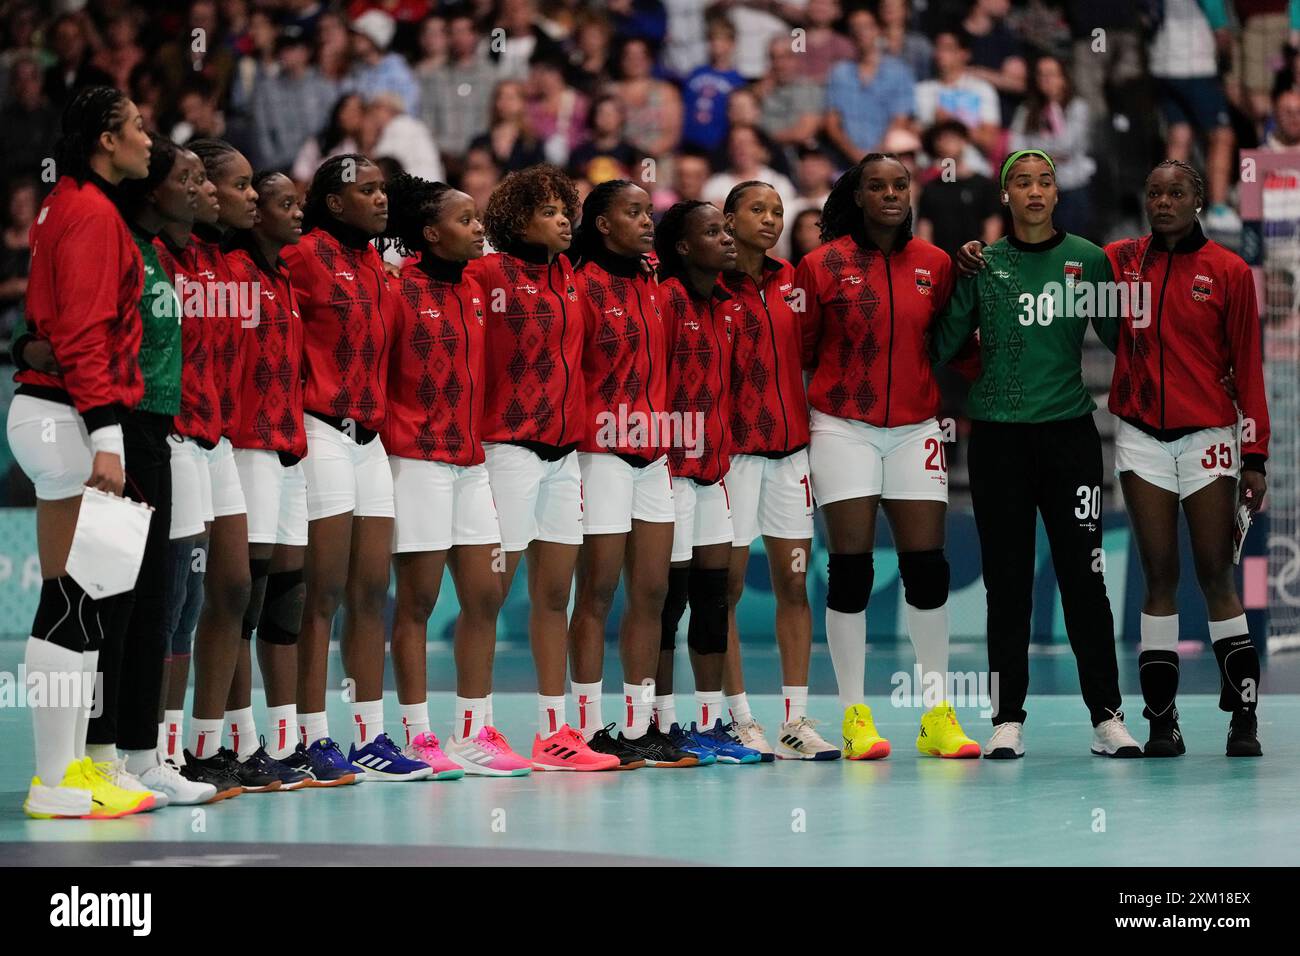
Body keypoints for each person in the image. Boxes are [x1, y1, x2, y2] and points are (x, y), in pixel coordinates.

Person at [930, 149, 1142, 759]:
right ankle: (1006, 719)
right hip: (997, 441)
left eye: (1044, 181)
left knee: (1085, 579)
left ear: (1055, 193)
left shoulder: (1089, 260)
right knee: (1007, 584)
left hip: (1070, 440)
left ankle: (1108, 717)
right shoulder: (984, 265)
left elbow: (1124, 341)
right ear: (1006, 195)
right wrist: (956, 276)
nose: (1034, 191)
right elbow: (943, 345)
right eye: (1021, 181)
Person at [794, 154, 981, 761]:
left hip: (916, 428)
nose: (892, 194)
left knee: (927, 569)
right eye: (877, 186)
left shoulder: (936, 264)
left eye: (901, 184)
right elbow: (801, 350)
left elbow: (952, 343)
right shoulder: (820, 266)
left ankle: (937, 714)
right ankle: (855, 715)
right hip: (841, 427)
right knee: (850, 571)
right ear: (858, 196)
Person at [10, 86, 156, 818]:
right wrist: (106, 436)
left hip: (50, 410)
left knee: (79, 598)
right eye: (136, 127)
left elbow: (53, 326)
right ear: (105, 139)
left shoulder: (66, 202)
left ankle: (69, 774)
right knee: (71, 597)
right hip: (64, 417)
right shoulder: (94, 214)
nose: (148, 138)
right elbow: (84, 335)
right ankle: (52, 782)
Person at [1106, 161, 1270, 756]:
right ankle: (1161, 721)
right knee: (1159, 575)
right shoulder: (1121, 261)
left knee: (1215, 574)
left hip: (1211, 439)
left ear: (1199, 199)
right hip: (1141, 435)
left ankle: (1243, 718)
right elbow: (1058, 261)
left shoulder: (1229, 271)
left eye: (1176, 192)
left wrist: (1255, 455)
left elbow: (1248, 365)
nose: (1164, 202)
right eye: (1154, 193)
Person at [282, 153, 431, 783]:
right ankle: (310, 739)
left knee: (372, 591)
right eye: (365, 191)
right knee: (323, 593)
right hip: (320, 432)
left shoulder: (377, 265)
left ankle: (369, 738)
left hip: (370, 441)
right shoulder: (302, 256)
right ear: (334, 202)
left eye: (382, 190)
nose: (380, 199)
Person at [380, 172, 531, 777]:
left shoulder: (476, 286)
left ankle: (474, 731)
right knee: (416, 602)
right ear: (429, 233)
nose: (478, 230)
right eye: (466, 221)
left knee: (485, 594)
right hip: (415, 459)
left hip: (471, 463)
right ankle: (418, 735)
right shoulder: (396, 290)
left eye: (478, 220)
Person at [464, 164, 611, 769]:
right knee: (488, 597)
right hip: (507, 450)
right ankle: (473, 731)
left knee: (554, 596)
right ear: (518, 218)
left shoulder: (571, 276)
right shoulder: (484, 273)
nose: (564, 220)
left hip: (564, 455)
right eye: (550, 211)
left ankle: (556, 736)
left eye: (566, 210)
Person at [175, 138, 284, 795]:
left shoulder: (233, 267)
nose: (252, 196)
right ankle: (156, 749)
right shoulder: (168, 260)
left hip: (218, 442)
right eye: (239, 186)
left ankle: (208, 745)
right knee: (177, 601)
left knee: (234, 589)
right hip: (173, 439)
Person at [718, 181, 839, 760]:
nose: (770, 220)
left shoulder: (794, 281)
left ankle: (795, 721)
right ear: (728, 217)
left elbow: (814, 349)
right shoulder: (708, 284)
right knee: (728, 589)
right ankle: (739, 718)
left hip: (791, 457)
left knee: (794, 582)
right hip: (732, 460)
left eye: (777, 212)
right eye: (757, 210)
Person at [564, 180, 678, 769]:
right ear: (603, 224)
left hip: (653, 454)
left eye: (648, 212)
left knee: (652, 590)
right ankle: (584, 730)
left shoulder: (654, 280)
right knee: (599, 590)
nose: (646, 221)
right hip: (600, 452)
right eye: (632, 213)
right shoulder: (580, 283)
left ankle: (637, 728)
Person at [220, 171, 317, 789]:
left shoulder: (282, 277)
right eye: (284, 204)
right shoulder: (230, 273)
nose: (293, 212)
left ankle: (277, 743)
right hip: (247, 447)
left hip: (289, 447)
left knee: (289, 597)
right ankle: (236, 739)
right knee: (241, 604)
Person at [653, 200, 757, 766]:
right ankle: (661, 722)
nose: (728, 237)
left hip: (715, 473)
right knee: (668, 602)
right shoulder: (664, 300)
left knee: (712, 600)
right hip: (669, 472)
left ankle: (710, 721)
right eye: (713, 231)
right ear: (685, 247)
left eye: (726, 227)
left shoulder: (728, 306)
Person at [153, 150, 218, 774]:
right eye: (193, 181)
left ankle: (167, 754)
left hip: (202, 442)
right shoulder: (147, 257)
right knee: (162, 599)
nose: (208, 193)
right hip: (153, 440)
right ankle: (130, 752)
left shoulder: (208, 260)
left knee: (189, 603)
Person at [1009, 56, 1095, 238]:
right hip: (1036, 189)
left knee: (1071, 245)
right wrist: (1047, 158)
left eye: (1051, 74)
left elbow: (1066, 144)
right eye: (1041, 75)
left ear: (1064, 78)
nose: (1046, 80)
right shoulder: (1027, 110)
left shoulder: (1077, 108)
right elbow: (1014, 149)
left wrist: (1054, 107)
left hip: (1071, 185)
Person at [825, 6, 916, 161]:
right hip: (846, 160)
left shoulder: (900, 72)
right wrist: (855, 154)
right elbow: (831, 122)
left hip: (887, 158)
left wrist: (875, 156)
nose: (861, 32)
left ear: (878, 30)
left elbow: (900, 120)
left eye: (866, 26)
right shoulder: (840, 72)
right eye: (855, 28)